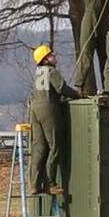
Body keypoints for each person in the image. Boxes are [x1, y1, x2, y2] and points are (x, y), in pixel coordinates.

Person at [30, 44, 80, 195]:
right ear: (45, 60)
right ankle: (50, 183)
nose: (54, 57)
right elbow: (62, 88)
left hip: (35, 107)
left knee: (39, 147)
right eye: (51, 55)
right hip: (48, 108)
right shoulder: (51, 71)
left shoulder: (38, 72)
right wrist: (79, 95)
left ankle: (34, 184)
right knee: (55, 145)